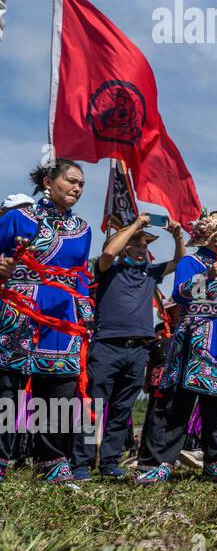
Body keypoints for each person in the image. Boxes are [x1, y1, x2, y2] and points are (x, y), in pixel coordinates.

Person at [0, 159, 94, 484]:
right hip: (19, 307)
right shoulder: (17, 219)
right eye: (71, 181)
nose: (77, 188)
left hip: (61, 315)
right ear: (48, 181)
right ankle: (2, 458)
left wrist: (84, 313)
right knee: (7, 387)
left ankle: (52, 460)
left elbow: (81, 275)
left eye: (81, 184)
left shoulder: (83, 229)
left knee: (59, 389)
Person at [72, 214, 183, 480]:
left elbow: (179, 261)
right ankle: (81, 463)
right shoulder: (108, 268)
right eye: (138, 243)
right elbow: (108, 251)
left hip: (138, 350)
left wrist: (178, 236)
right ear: (125, 245)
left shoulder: (150, 273)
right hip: (107, 346)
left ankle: (109, 462)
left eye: (146, 244)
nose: (143, 247)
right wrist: (135, 225)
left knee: (122, 409)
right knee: (93, 407)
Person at [135, 210, 217, 483]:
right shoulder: (190, 262)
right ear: (208, 235)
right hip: (193, 337)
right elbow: (179, 294)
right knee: (178, 401)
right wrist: (206, 276)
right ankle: (160, 461)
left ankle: (215, 460)